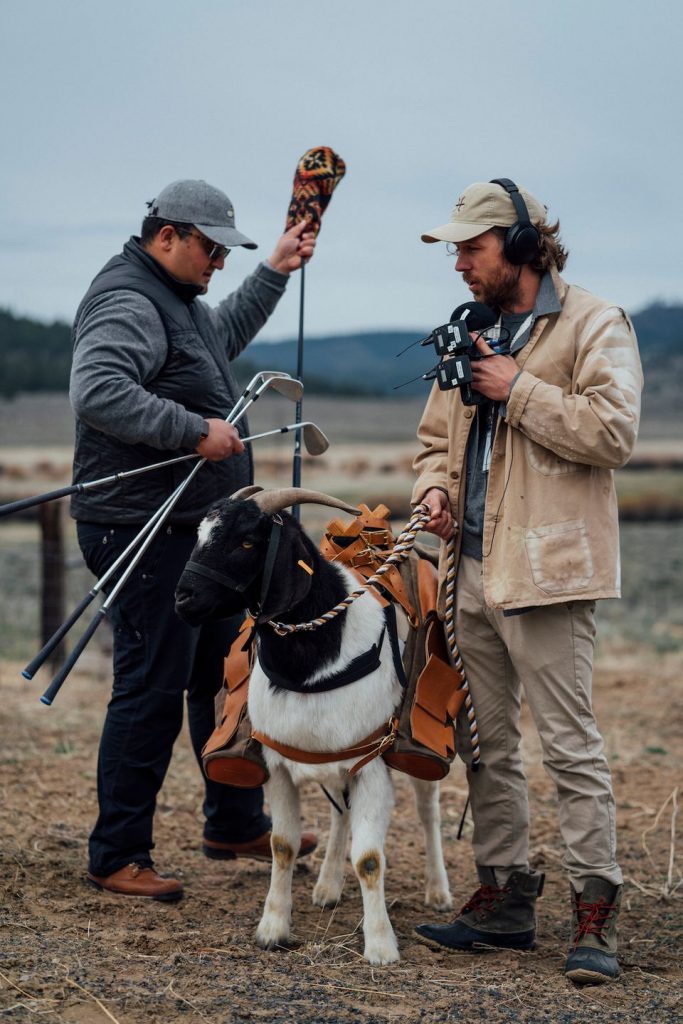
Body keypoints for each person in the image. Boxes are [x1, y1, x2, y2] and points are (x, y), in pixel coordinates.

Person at [410, 179, 642, 984]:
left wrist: (521, 389)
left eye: (468, 250)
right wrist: (433, 494)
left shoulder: (594, 322)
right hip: (466, 568)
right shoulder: (467, 329)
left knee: (571, 749)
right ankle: (503, 898)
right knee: (486, 744)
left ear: (515, 244)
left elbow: (613, 432)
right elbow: (434, 443)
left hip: (547, 573)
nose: (458, 266)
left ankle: (593, 910)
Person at [69, 179, 318, 901]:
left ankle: (232, 822)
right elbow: (100, 391)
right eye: (210, 247)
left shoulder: (175, 300)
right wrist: (193, 431)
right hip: (139, 527)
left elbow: (221, 342)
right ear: (167, 234)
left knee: (224, 674)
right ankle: (117, 853)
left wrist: (272, 268)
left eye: (224, 250)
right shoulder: (128, 298)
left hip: (191, 530)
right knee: (151, 685)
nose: (217, 261)